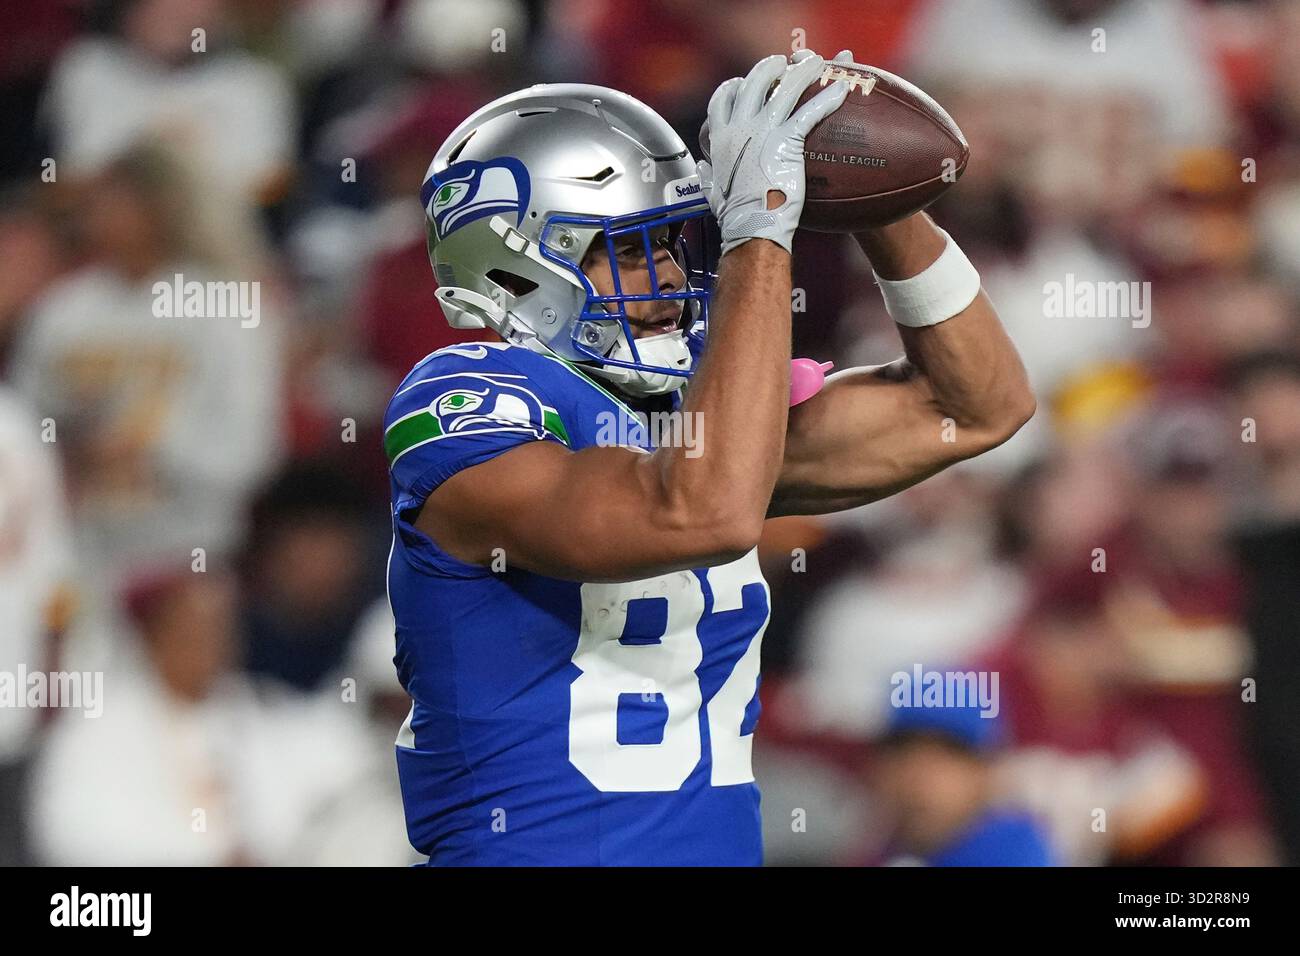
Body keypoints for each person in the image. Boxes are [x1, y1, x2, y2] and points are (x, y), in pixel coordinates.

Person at [383, 49, 1035, 865]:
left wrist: (872, 192)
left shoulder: (689, 418)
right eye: (625, 250)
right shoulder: (469, 402)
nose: (663, 276)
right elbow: (705, 510)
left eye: (669, 243)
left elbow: (976, 406)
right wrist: (761, 226)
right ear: (513, 267)